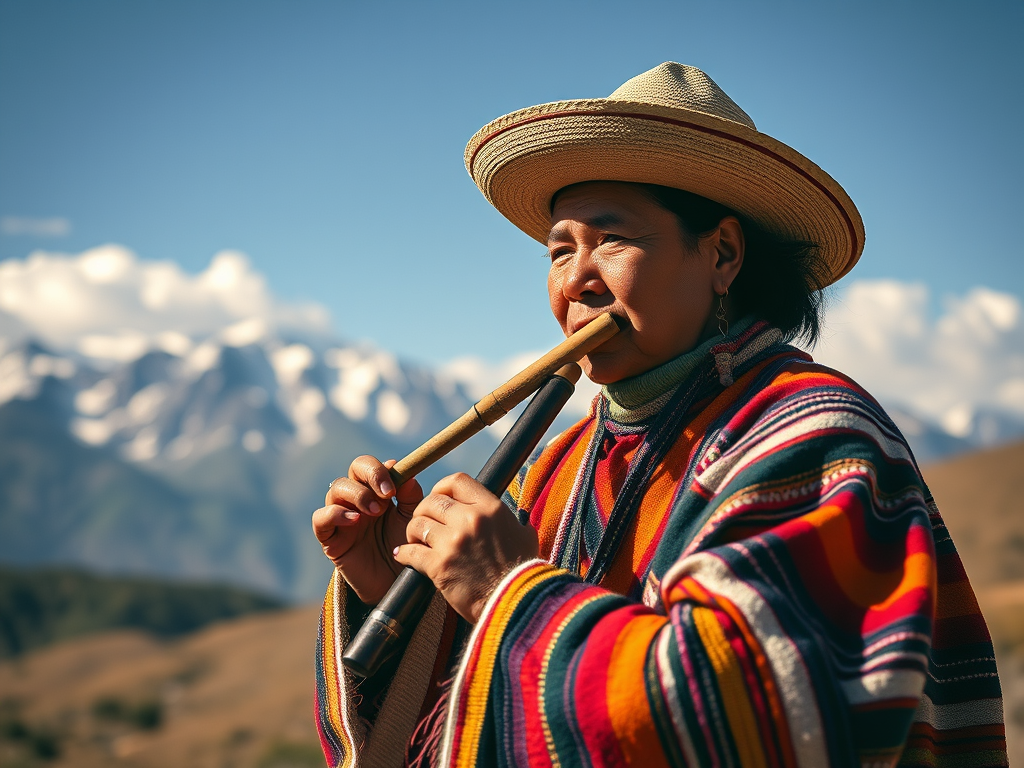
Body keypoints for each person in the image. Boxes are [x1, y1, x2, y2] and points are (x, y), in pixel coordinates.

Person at [311, 63, 1007, 767]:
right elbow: (489, 691)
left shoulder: (816, 433)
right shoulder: (559, 463)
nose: (577, 279)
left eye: (611, 240)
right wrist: (393, 588)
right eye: (559, 250)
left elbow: (757, 716)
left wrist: (506, 590)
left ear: (722, 254)